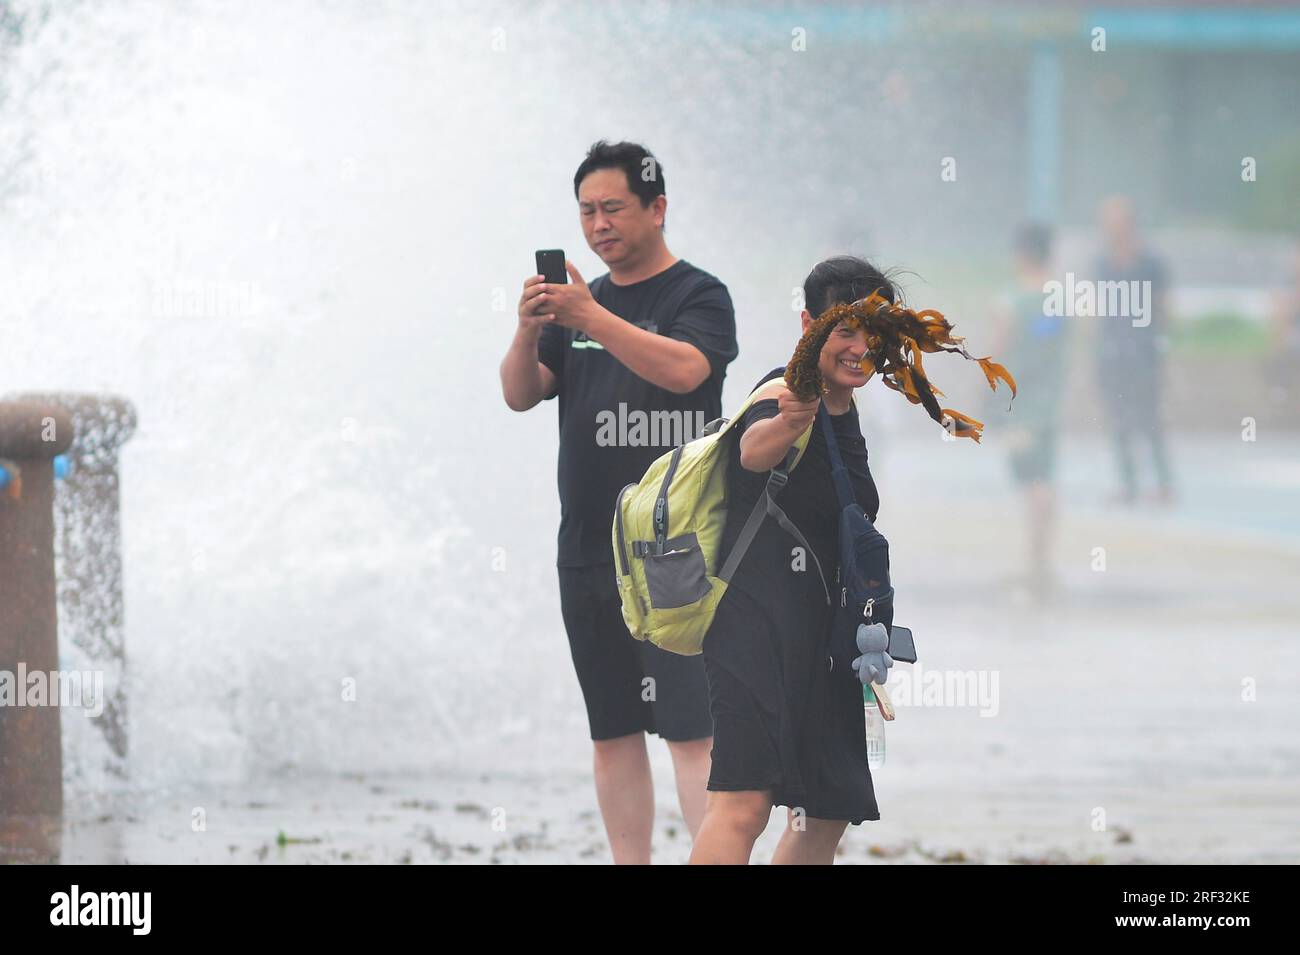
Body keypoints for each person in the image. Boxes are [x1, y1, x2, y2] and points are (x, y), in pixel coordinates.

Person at [498, 140, 738, 864]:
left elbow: (686, 371)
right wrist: (531, 323)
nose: (598, 225)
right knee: (611, 730)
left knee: (691, 730)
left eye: (613, 208)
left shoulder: (699, 296)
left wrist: (591, 318)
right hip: (587, 548)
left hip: (677, 551)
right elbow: (519, 393)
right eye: (586, 212)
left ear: (656, 208)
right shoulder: (577, 307)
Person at [689, 255, 891, 865]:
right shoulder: (784, 392)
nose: (860, 346)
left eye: (874, 331)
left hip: (829, 641)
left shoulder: (845, 409)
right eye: (845, 329)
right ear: (808, 324)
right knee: (744, 804)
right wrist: (789, 420)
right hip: (754, 630)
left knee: (826, 811)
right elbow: (753, 450)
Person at [990, 223, 1067, 601]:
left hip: (1018, 405)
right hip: (1050, 404)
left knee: (1030, 482)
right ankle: (1041, 559)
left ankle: (1036, 563)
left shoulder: (1012, 300)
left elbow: (998, 350)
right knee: (1044, 479)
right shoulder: (1061, 298)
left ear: (1020, 253)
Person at [1094, 196, 1175, 507]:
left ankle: (1164, 483)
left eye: (1113, 221)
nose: (1108, 228)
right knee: (1117, 419)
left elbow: (1164, 306)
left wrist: (1163, 346)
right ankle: (1128, 483)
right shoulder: (1101, 262)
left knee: (1150, 418)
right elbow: (1095, 308)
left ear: (1129, 224)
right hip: (1111, 352)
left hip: (1144, 351)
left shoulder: (1151, 262)